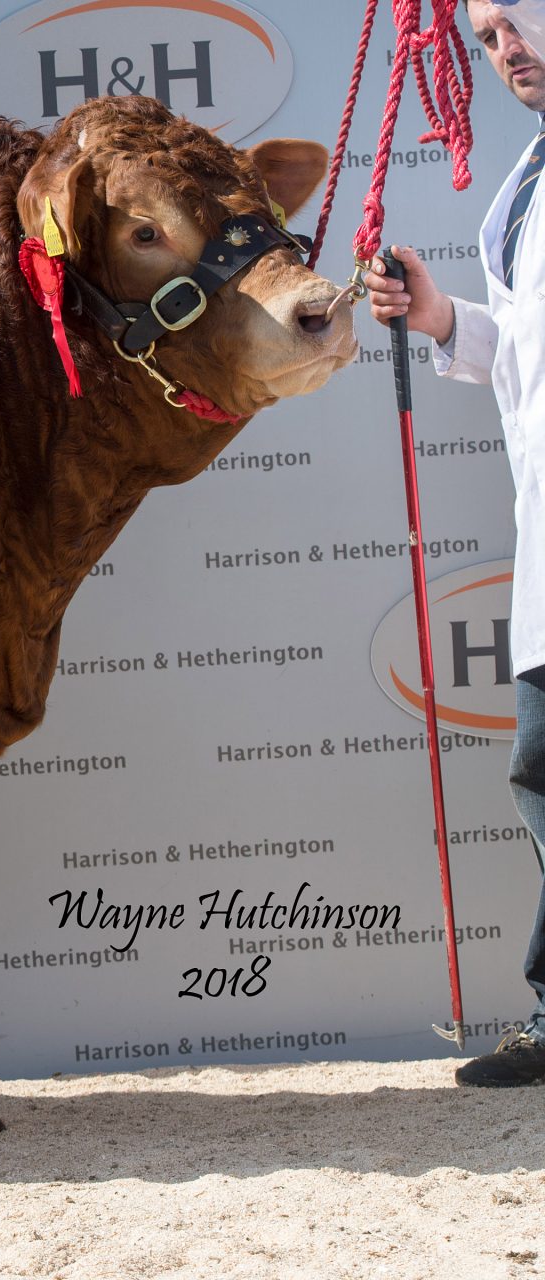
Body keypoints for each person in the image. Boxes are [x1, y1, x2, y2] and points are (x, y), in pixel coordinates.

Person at [365, 0, 545, 1085]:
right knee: (544, 771)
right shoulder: (523, 185)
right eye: (485, 37)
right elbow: (524, 346)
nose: (505, 49)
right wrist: (440, 317)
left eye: (518, 20)